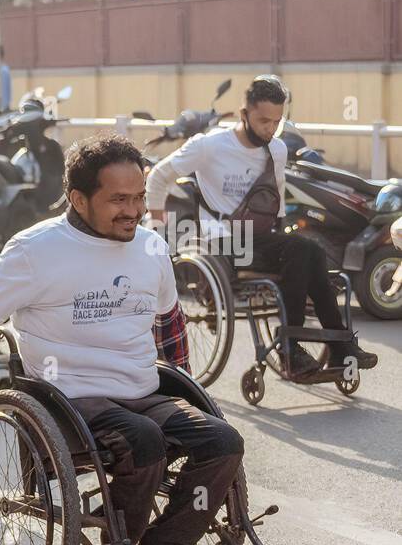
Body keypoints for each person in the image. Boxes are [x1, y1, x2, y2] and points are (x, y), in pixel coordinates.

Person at [0, 134, 246, 545]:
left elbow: (170, 326)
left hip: (143, 393)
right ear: (78, 199)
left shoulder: (149, 248)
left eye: (140, 197)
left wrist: (186, 393)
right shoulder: (35, 250)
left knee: (223, 440)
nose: (134, 210)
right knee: (142, 441)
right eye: (119, 199)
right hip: (67, 400)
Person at [146, 76, 377, 374]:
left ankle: (333, 346)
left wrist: (283, 239)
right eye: (263, 121)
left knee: (309, 251)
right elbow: (158, 177)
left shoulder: (276, 150)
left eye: (276, 122)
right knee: (301, 252)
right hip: (222, 241)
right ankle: (303, 348)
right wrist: (156, 223)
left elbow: (276, 197)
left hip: (259, 238)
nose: (269, 129)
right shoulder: (209, 146)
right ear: (244, 113)